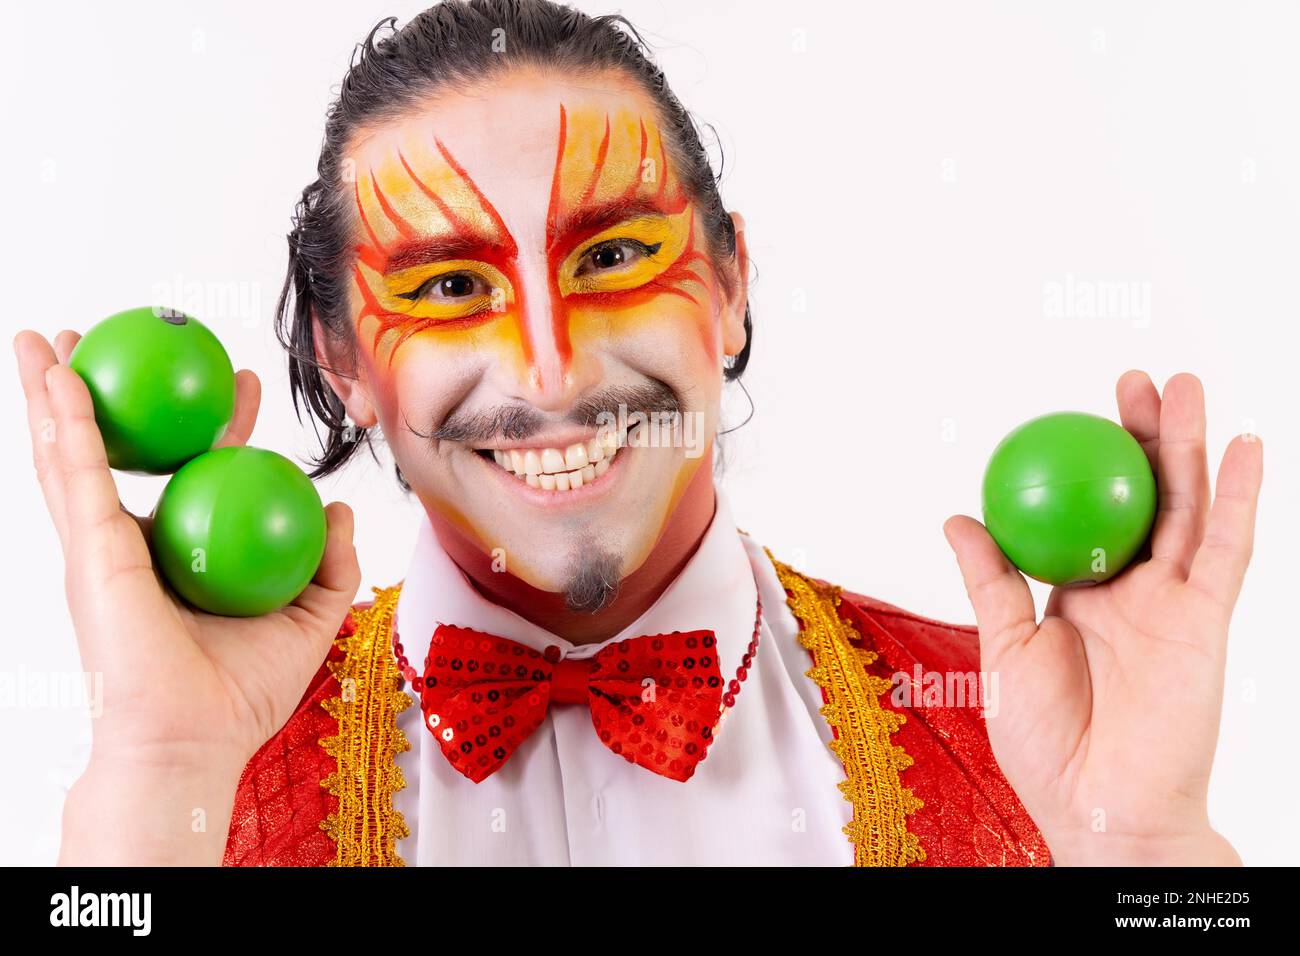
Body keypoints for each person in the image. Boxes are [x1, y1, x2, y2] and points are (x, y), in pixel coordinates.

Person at [14, 0, 1262, 866]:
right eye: (448, 286)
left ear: (726, 286)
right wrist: (157, 766)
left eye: (613, 254)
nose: (552, 366)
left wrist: (1142, 844)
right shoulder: (195, 778)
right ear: (343, 365)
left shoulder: (1011, 728)